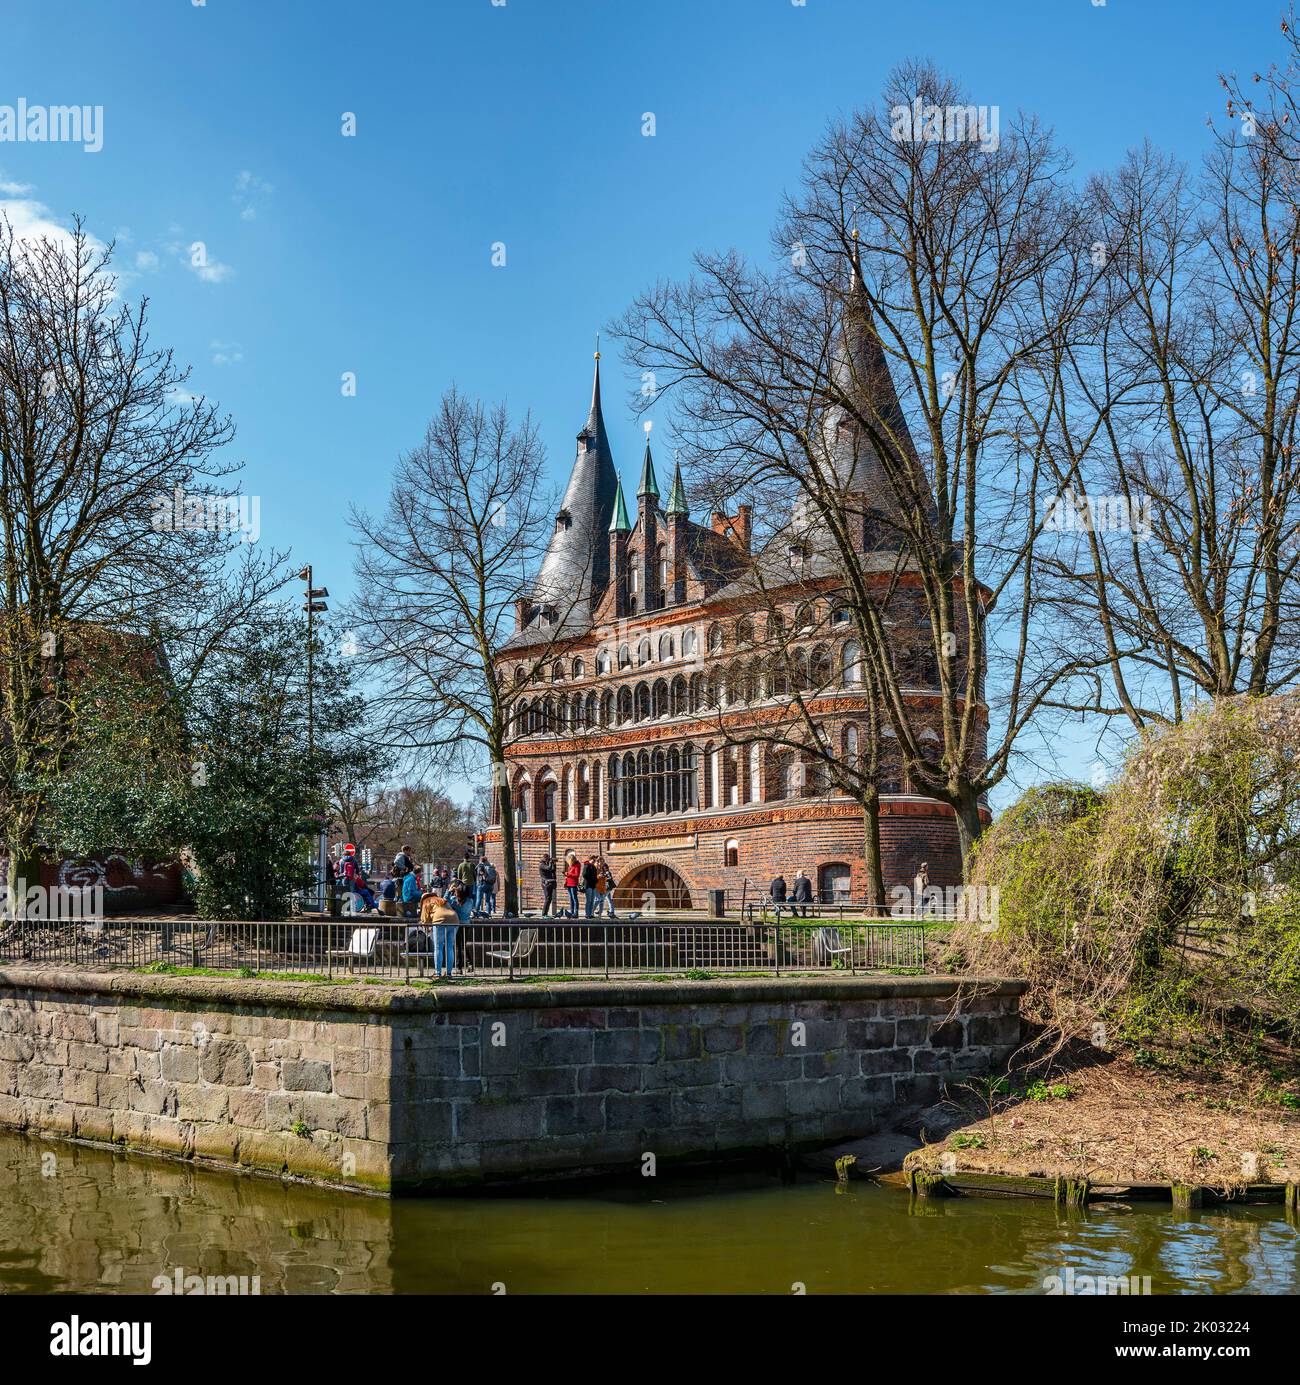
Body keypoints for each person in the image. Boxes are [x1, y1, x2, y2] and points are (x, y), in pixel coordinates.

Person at [563, 851, 581, 917]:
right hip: (569, 883)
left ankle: (576, 912)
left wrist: (568, 874)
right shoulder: (570, 866)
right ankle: (572, 911)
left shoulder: (577, 865)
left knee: (574, 898)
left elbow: (577, 875)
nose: (568, 862)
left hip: (573, 883)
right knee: (571, 898)